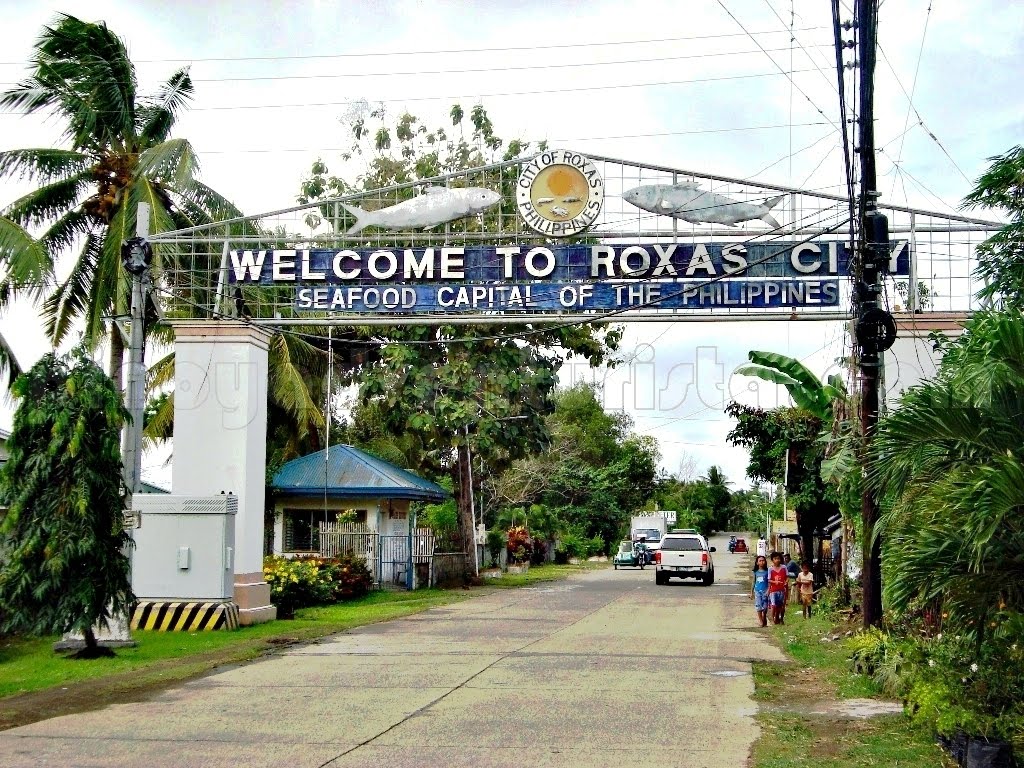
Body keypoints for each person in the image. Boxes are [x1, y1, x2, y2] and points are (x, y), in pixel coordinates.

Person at [767, 552, 789, 625]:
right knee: (773, 605)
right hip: (773, 590)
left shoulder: (784, 567)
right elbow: (769, 580)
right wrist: (775, 582)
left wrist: (786, 582)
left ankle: (781, 619)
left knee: (781, 605)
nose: (777, 560)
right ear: (772, 560)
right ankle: (773, 619)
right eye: (775, 559)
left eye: (778, 558)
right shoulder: (770, 569)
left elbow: (787, 577)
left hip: (782, 589)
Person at [751, 555, 770, 627]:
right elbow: (753, 582)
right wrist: (751, 592)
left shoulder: (767, 572)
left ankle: (764, 616)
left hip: (765, 591)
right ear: (757, 563)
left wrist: (768, 590)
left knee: (765, 607)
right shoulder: (755, 572)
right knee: (759, 606)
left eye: (763, 560)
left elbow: (769, 582)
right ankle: (761, 621)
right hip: (757, 591)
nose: (762, 562)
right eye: (760, 561)